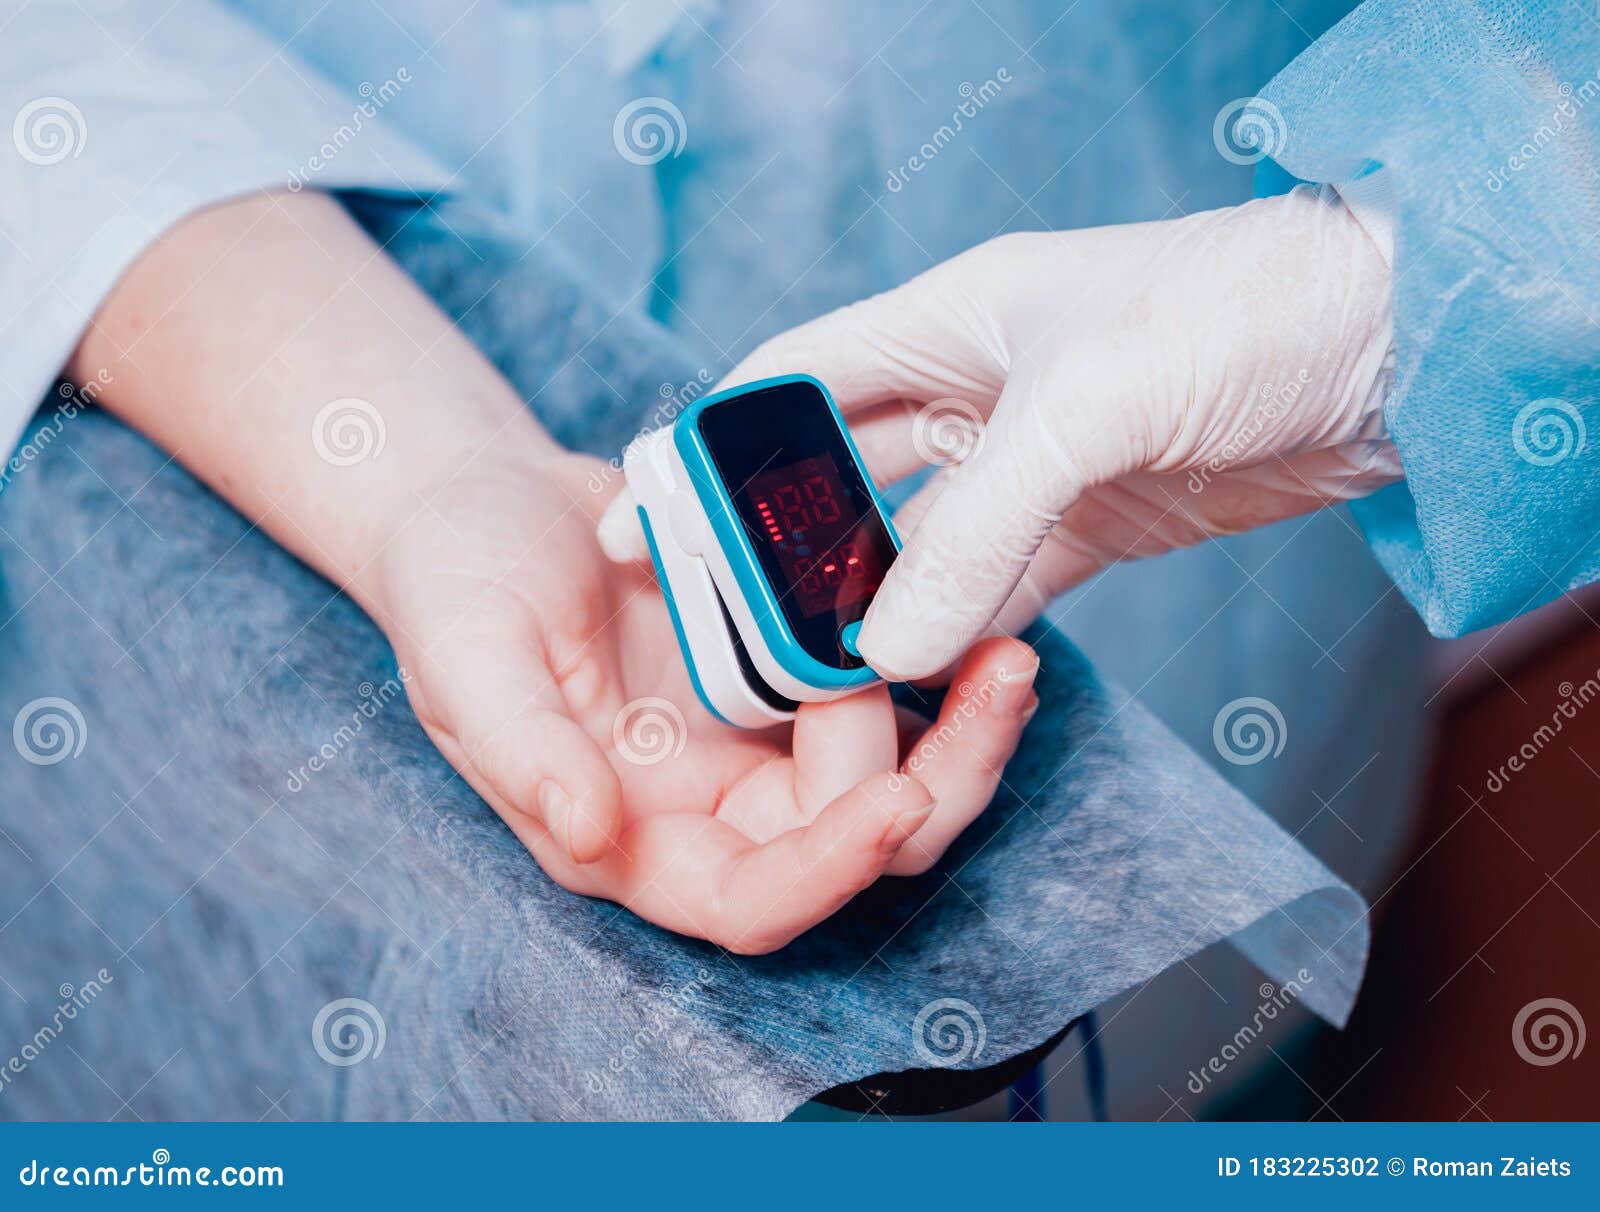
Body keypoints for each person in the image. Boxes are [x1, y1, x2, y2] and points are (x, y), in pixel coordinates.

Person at [15, 0, 1573, 1115]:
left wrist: (1422, 288)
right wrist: (430, 470)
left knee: (1233, 1061)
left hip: (1229, 655)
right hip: (262, 554)